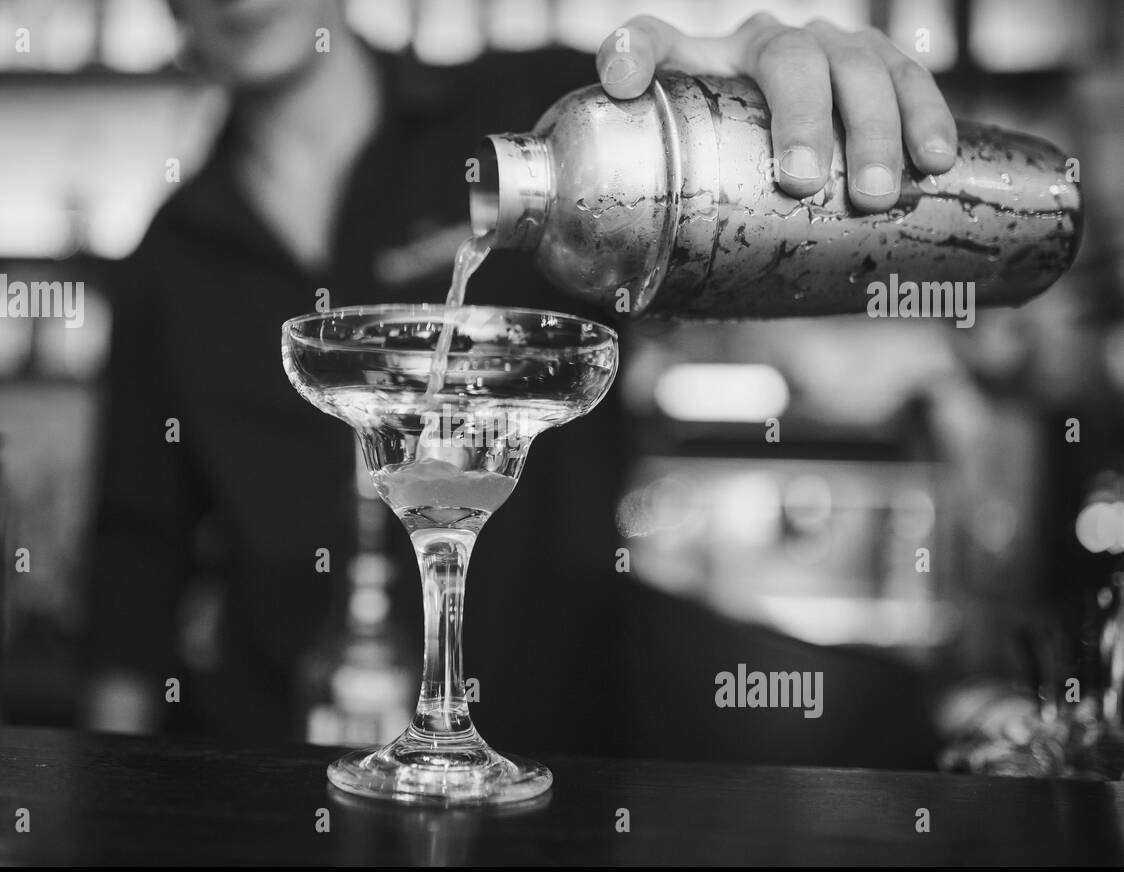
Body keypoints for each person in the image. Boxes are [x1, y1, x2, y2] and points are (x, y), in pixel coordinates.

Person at [83, 2, 958, 757]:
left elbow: (695, 163)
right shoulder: (171, 250)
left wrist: (751, 97)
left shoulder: (538, 119)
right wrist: (110, 794)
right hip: (273, 755)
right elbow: (136, 552)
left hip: (565, 740)